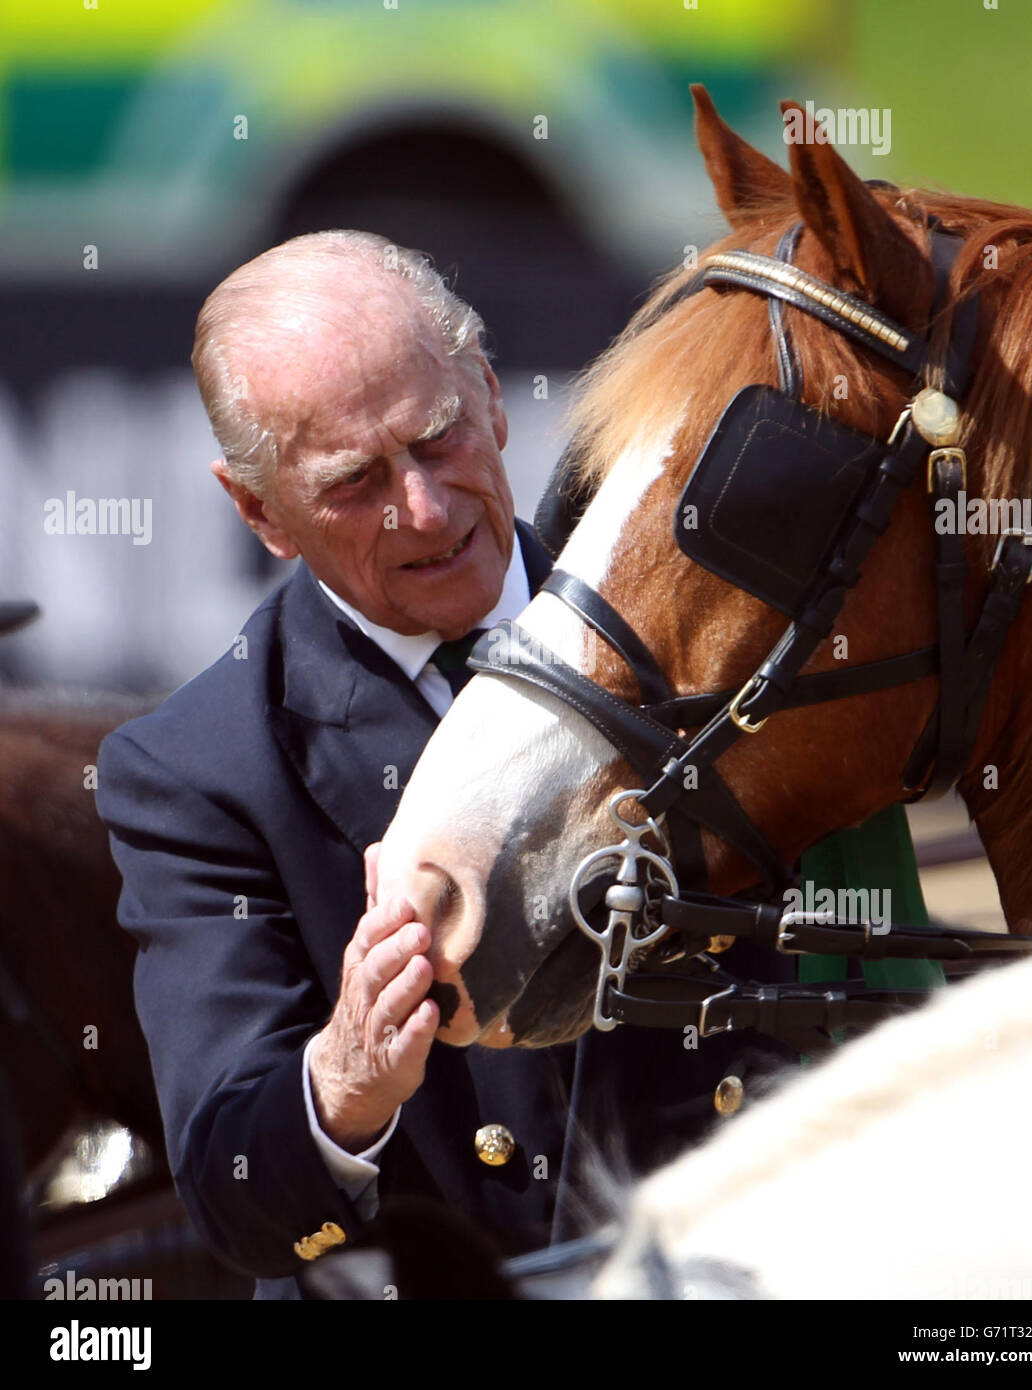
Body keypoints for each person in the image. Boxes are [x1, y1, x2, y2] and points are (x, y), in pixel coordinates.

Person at [94, 231, 800, 1299]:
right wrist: (342, 1086)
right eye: (354, 482)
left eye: (437, 438)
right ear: (257, 512)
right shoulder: (195, 773)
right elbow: (239, 1202)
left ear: (491, 395)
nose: (423, 509)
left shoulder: (712, 617)